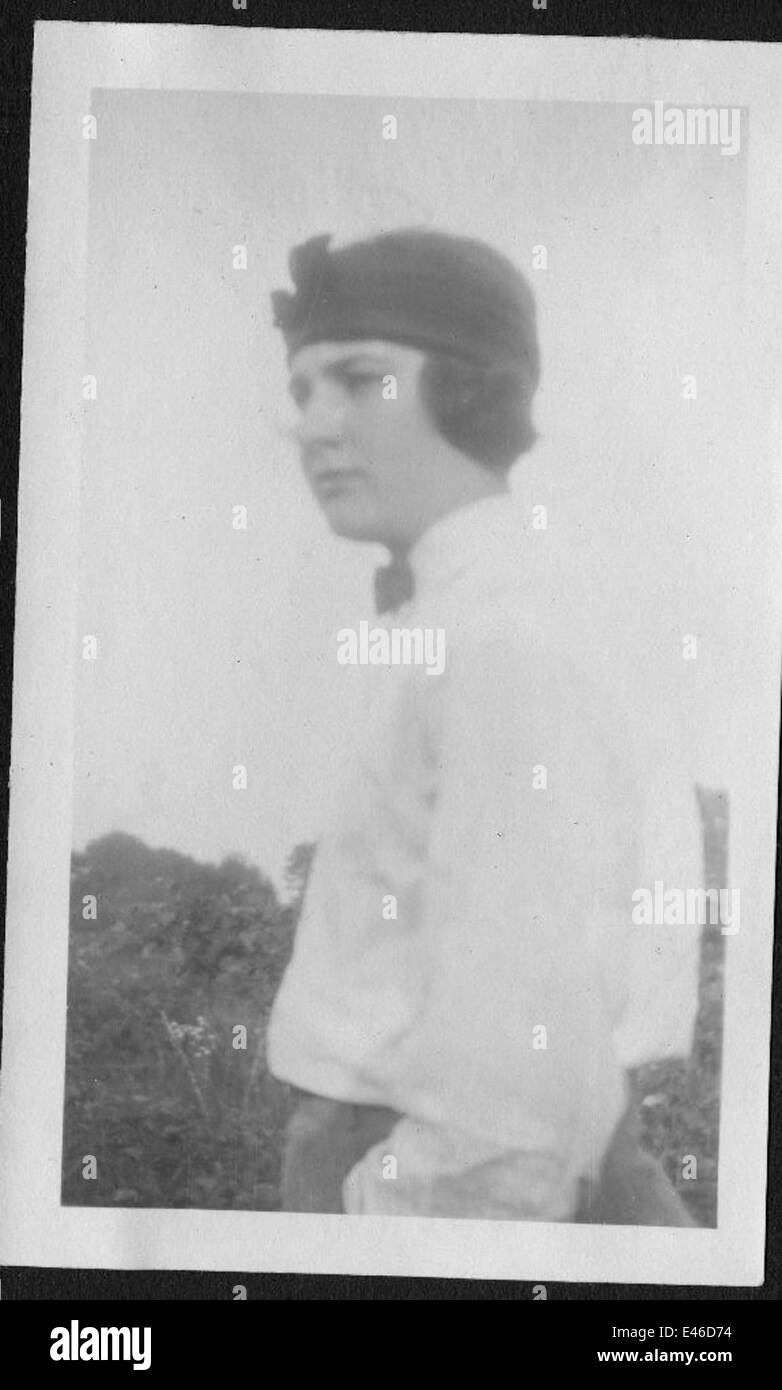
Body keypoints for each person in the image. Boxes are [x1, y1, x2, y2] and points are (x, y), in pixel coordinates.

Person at [266, 228, 697, 1223]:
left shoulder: (505, 631)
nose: (314, 425)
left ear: (466, 388)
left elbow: (515, 1092)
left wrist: (376, 1217)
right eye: (301, 391)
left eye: (357, 378)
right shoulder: (466, 611)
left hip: (425, 1175)